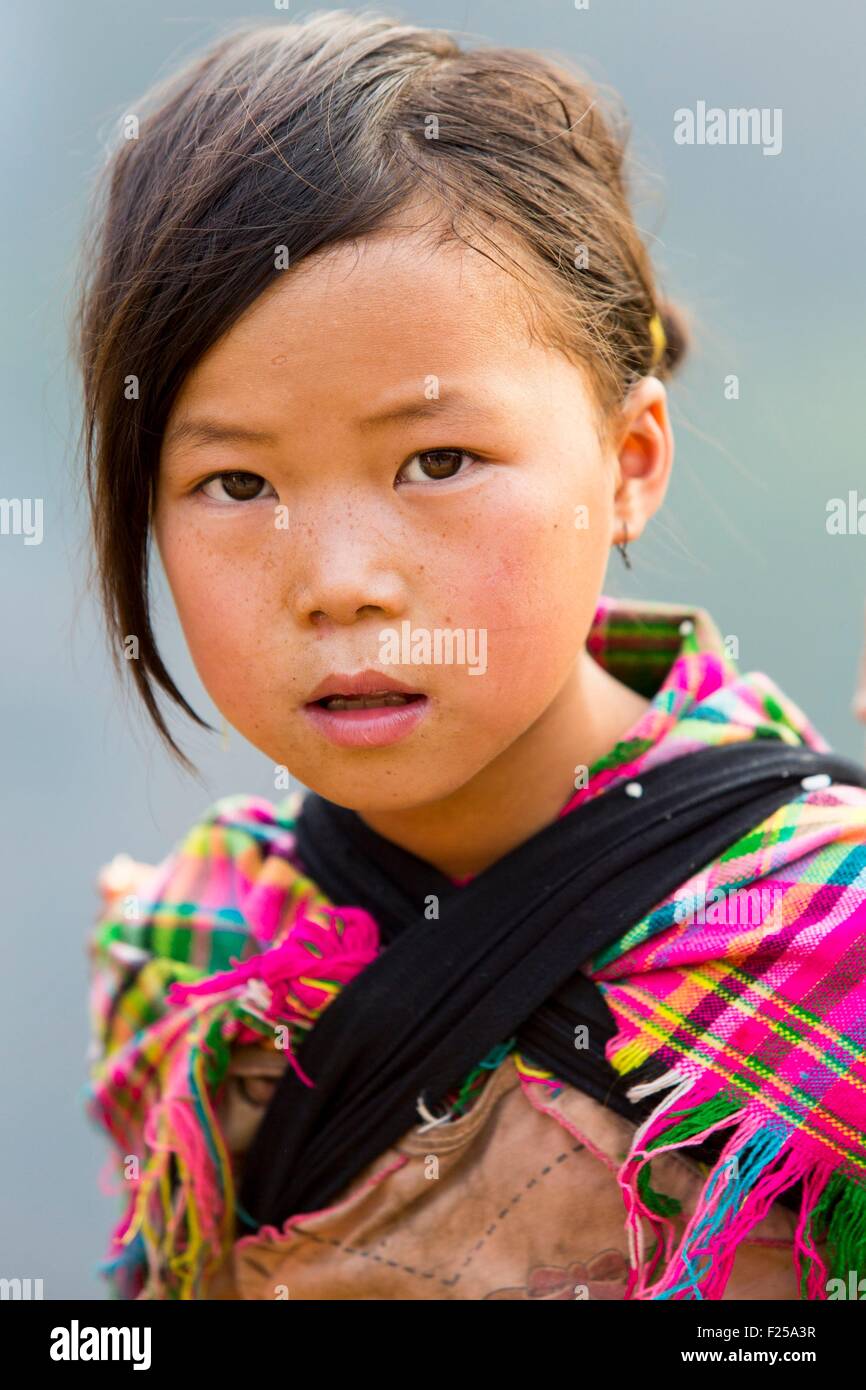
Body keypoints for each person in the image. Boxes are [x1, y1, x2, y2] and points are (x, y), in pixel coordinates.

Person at [76, 10, 866, 1301]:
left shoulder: (831, 938)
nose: (339, 581)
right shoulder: (189, 952)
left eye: (437, 462)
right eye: (232, 480)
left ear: (629, 462)